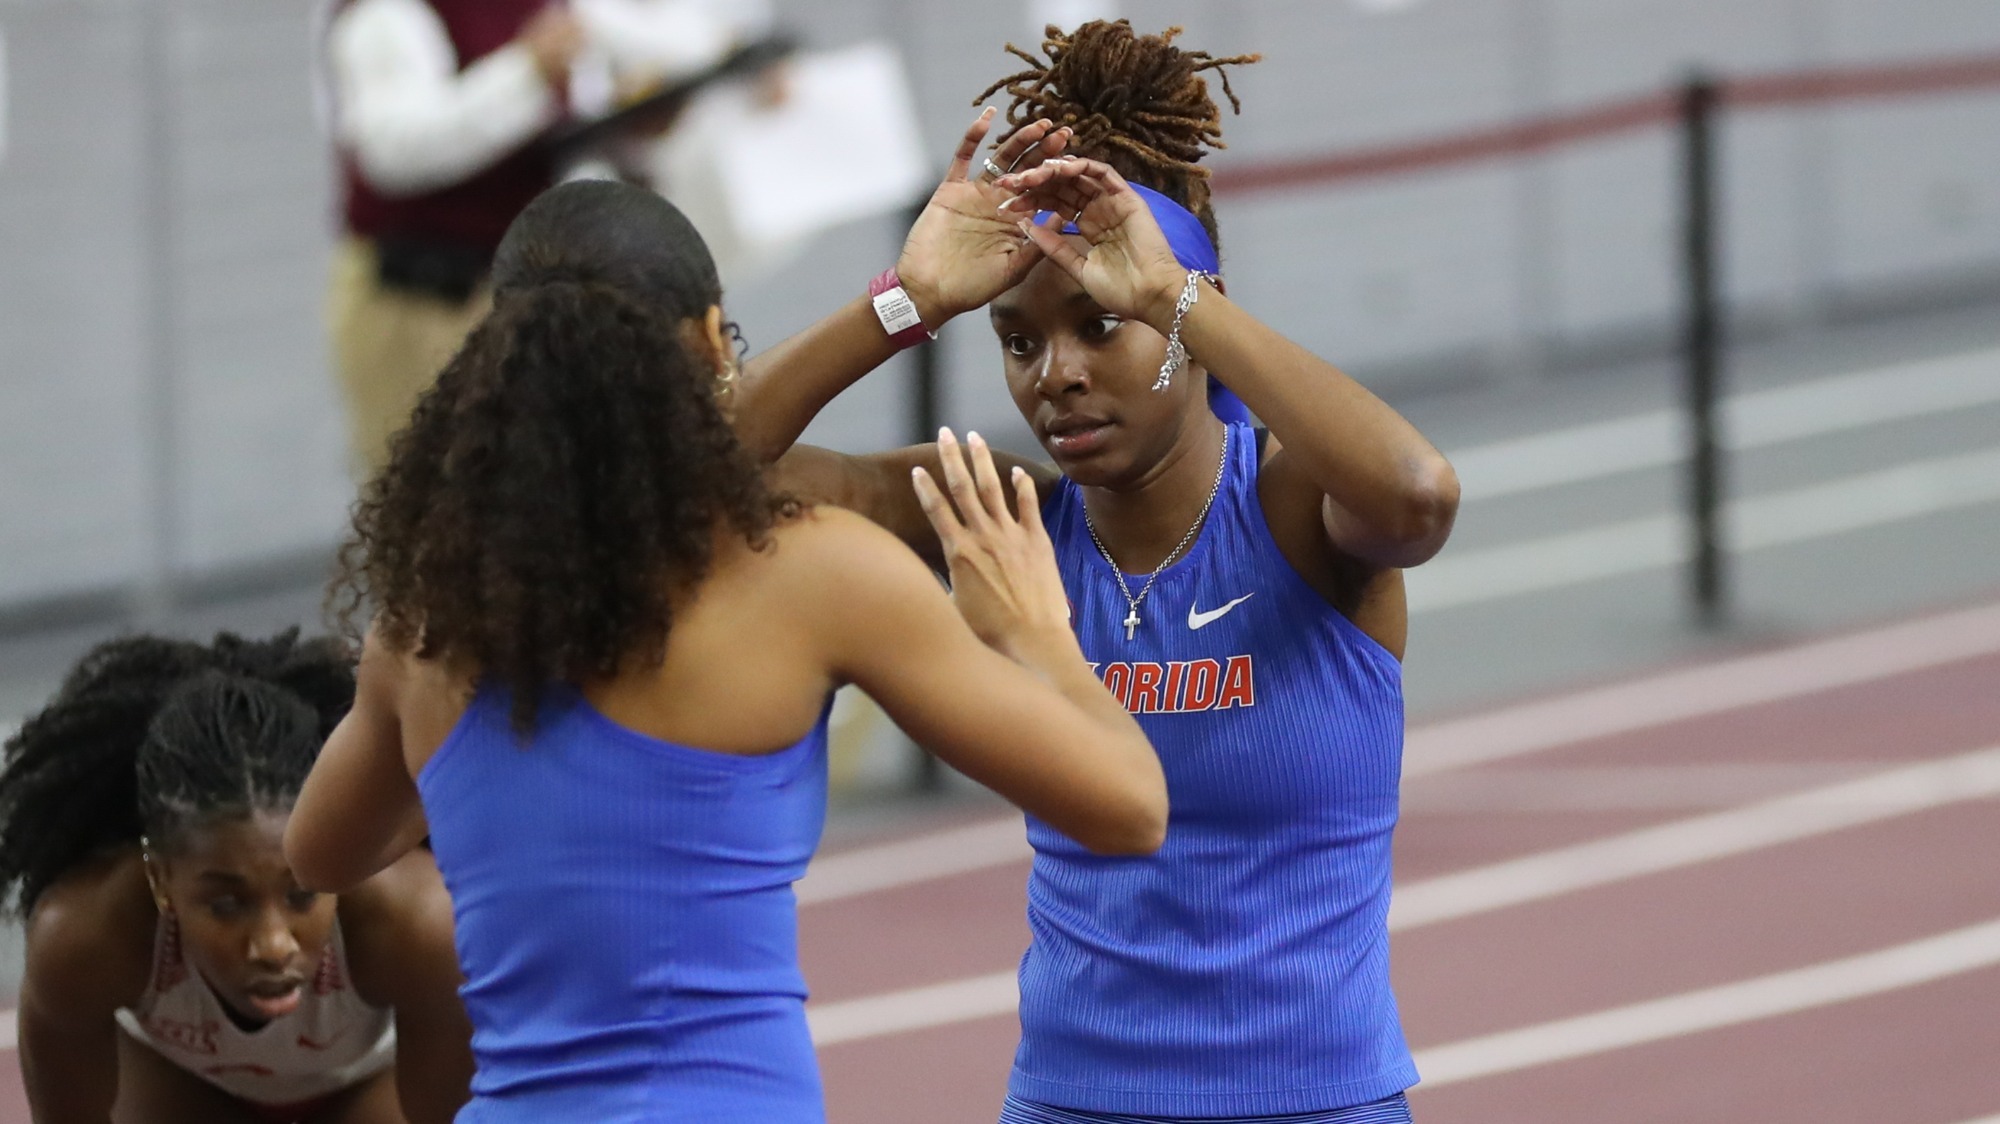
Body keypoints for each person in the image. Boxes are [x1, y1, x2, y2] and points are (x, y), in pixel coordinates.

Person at [281, 177, 1168, 1124]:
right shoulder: (815, 580)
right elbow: (1127, 808)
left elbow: (320, 852)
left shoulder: (423, 630)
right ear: (711, 342)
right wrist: (1034, 632)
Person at [733, 20, 1460, 1123]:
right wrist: (906, 303)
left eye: (1099, 323)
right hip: (1071, 1101)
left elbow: (1416, 491)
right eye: (1018, 341)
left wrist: (1178, 295)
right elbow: (698, 481)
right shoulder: (1007, 516)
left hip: (1311, 1101)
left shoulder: (1292, 512)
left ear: (1180, 315)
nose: (1056, 376)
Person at [1, 630, 472, 1124]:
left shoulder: (418, 926)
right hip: (183, 1088)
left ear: (331, 857)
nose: (272, 945)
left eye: (301, 895)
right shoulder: (84, 939)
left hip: (370, 1083)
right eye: (226, 904)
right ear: (160, 878)